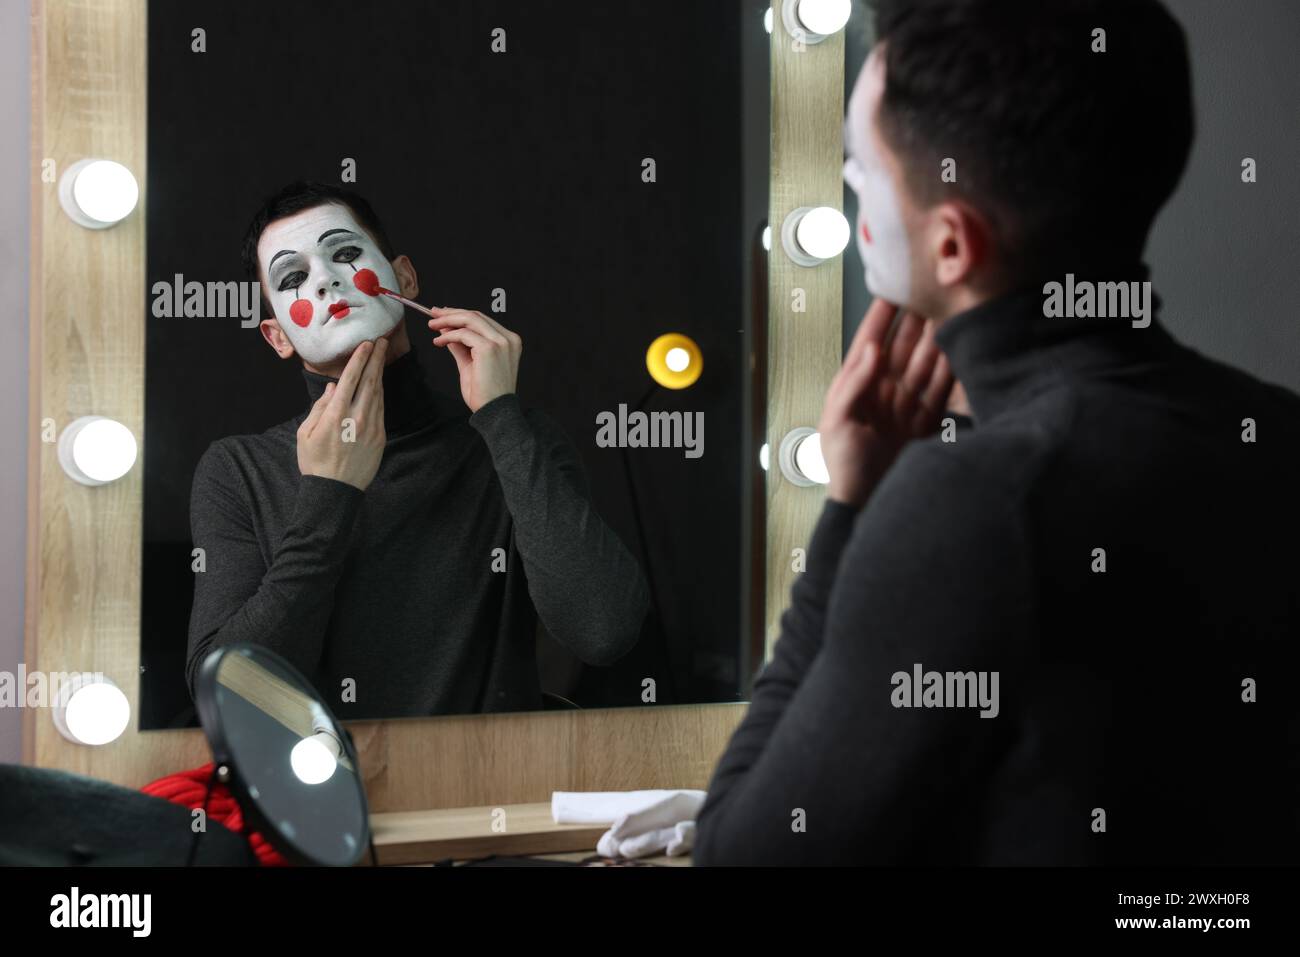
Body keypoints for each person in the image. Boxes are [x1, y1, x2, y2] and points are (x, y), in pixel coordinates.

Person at [695, 0, 1300, 864]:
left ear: (952, 247)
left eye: (862, 168)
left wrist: (849, 511)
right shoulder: (1275, 431)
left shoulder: (981, 504)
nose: (851, 186)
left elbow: (743, 855)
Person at [186, 182, 649, 719]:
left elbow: (604, 631)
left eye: (344, 253)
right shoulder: (237, 471)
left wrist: (501, 418)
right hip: (328, 798)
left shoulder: (512, 439)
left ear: (403, 277)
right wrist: (328, 496)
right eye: (293, 277)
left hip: (497, 786)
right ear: (278, 337)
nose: (328, 279)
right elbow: (225, 699)